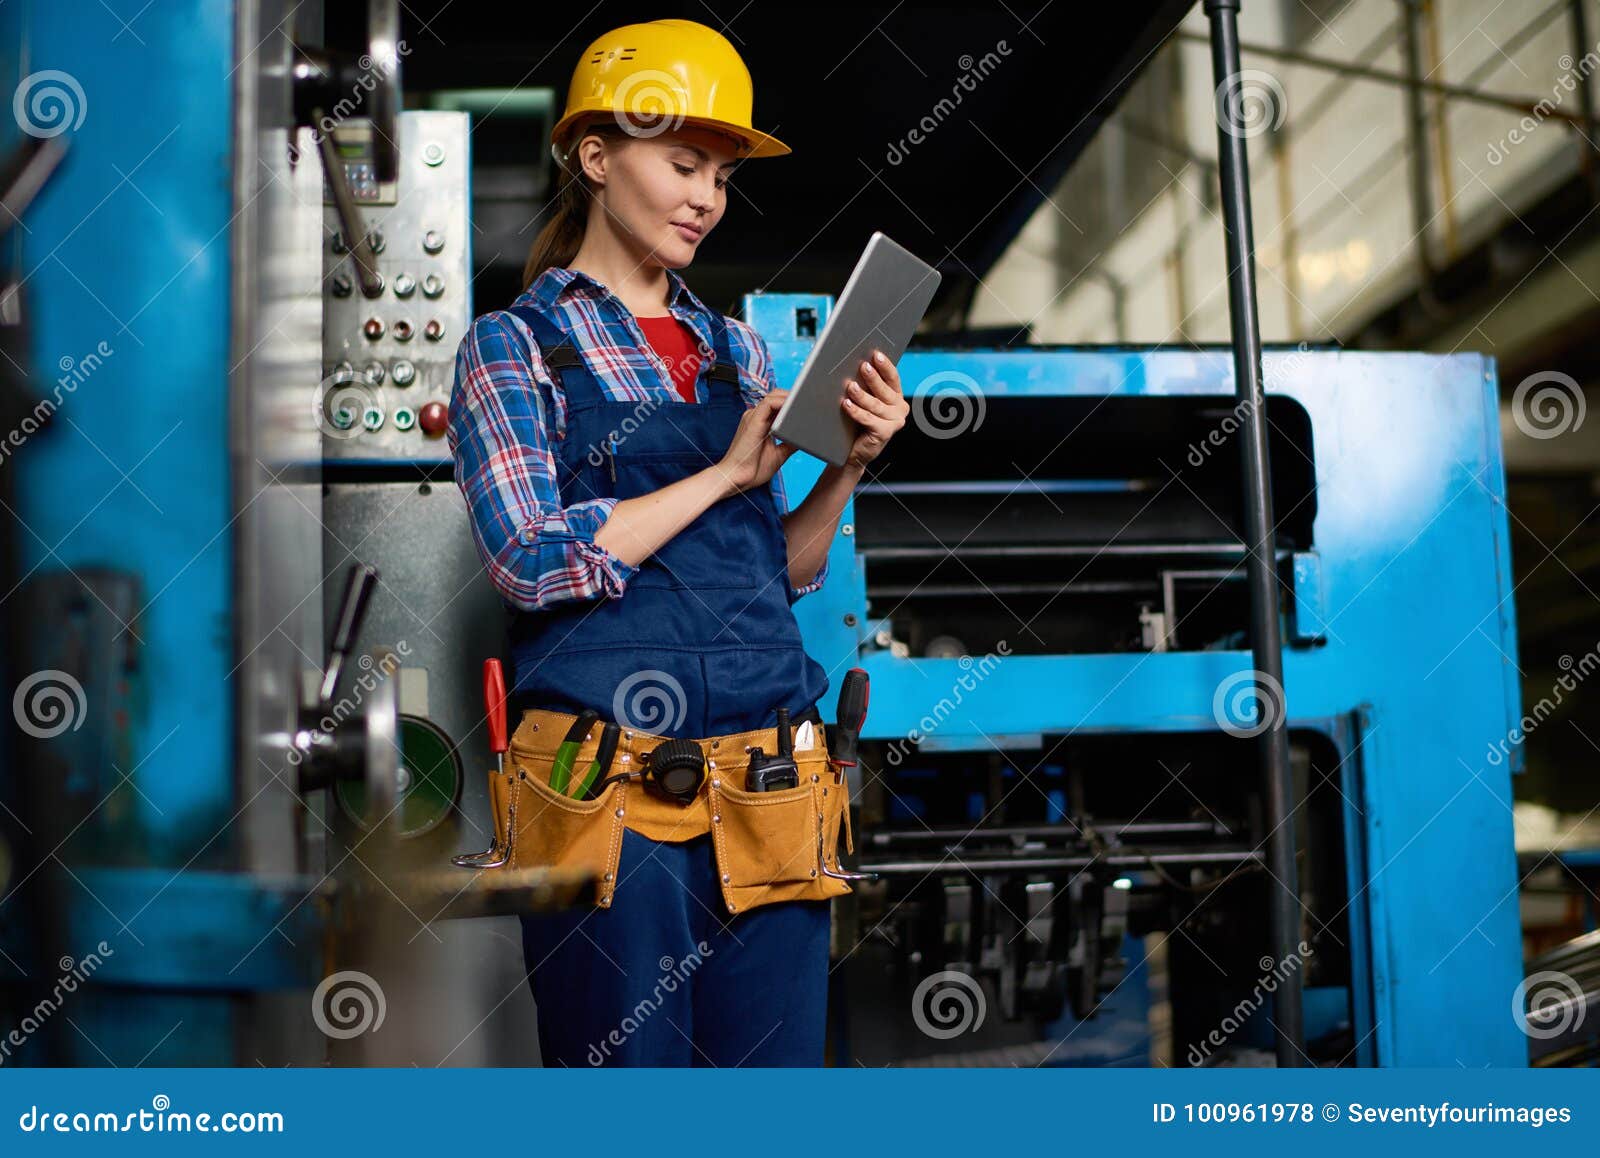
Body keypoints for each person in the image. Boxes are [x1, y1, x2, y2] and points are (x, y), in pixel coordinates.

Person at [447, 18, 910, 1066]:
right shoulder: (512, 347)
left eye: (721, 175)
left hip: (770, 790)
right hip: (607, 798)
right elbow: (527, 559)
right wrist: (720, 475)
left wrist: (847, 464)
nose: (707, 196)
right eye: (684, 163)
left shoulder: (737, 349)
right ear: (597, 157)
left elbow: (779, 570)